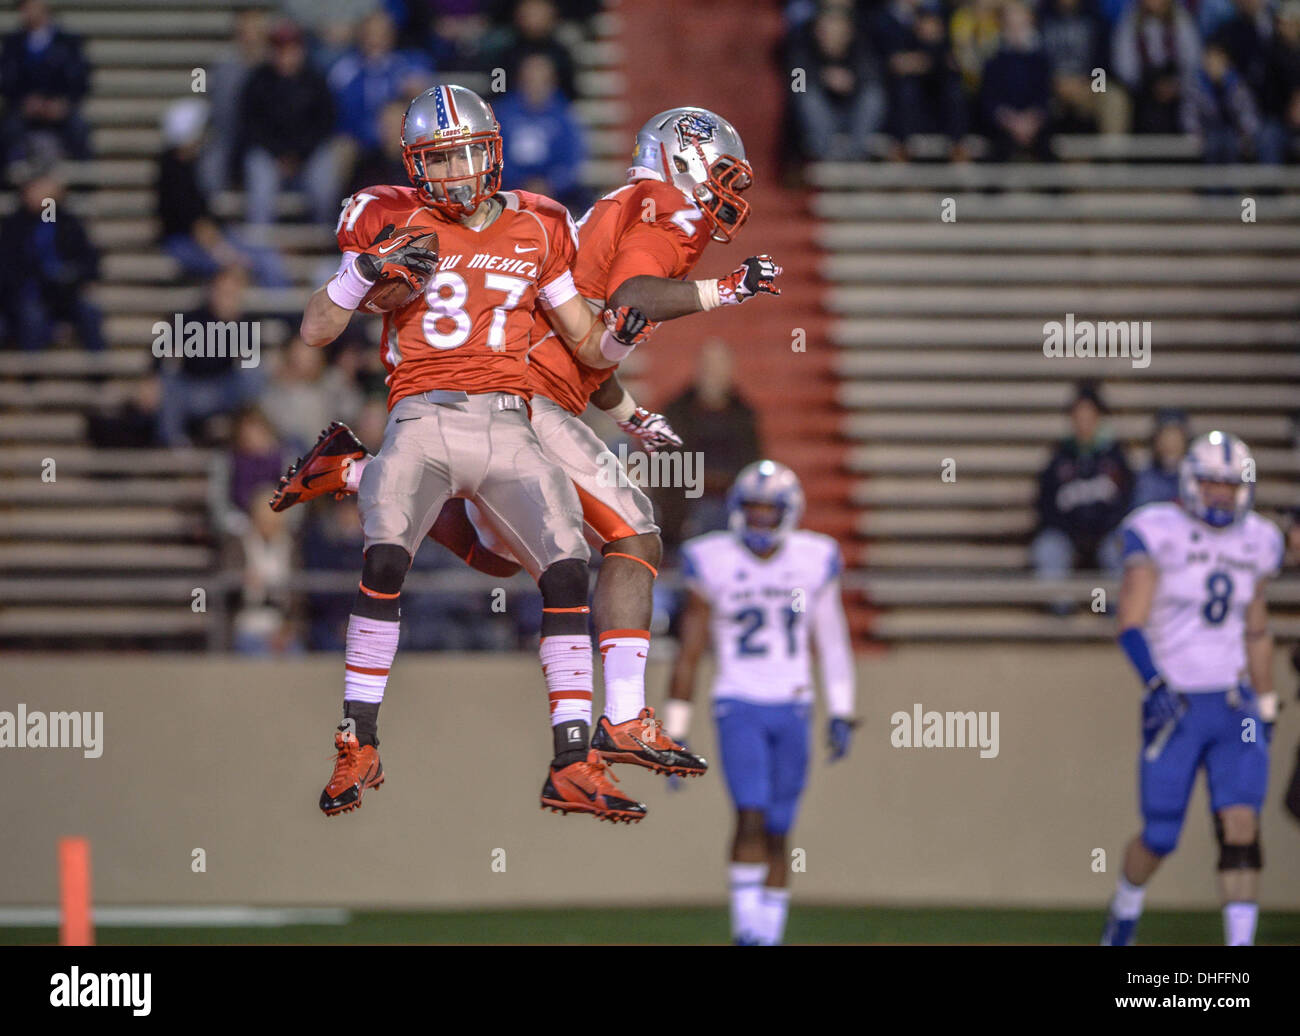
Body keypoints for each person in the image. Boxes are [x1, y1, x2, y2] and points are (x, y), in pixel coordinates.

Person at [273, 105, 784, 788]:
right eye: (720, 173)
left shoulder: (616, 209)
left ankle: (353, 469)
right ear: (681, 161)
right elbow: (630, 298)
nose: (726, 193)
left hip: (536, 389)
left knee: (495, 555)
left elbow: (594, 337)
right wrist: (728, 290)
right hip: (524, 399)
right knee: (634, 534)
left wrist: (628, 410)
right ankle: (623, 717)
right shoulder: (667, 206)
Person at [293, 84, 659, 823]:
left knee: (562, 566)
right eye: (441, 158)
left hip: (510, 422)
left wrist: (622, 332)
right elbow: (316, 331)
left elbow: (585, 341)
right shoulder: (388, 216)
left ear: (492, 152)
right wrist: (362, 272)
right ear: (415, 166)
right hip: (422, 415)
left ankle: (571, 761)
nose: (458, 172)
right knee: (386, 553)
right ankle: (357, 737)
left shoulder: (541, 223)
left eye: (468, 154)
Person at [1102, 432, 1283, 946]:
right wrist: (1154, 682)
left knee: (1242, 822)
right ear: (1190, 482)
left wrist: (1265, 705)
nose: (1221, 494)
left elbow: (1256, 628)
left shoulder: (1259, 540)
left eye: (1230, 483)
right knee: (1160, 836)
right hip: (1177, 703)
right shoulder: (1158, 530)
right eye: (1210, 482)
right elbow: (1131, 623)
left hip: (1235, 704)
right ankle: (1125, 909)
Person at [666, 461, 857, 946]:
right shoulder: (714, 560)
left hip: (793, 703)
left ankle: (766, 936)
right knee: (749, 814)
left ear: (789, 513)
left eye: (769, 512)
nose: (759, 521)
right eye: (752, 510)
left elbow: (831, 640)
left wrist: (841, 708)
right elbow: (689, 650)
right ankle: (745, 932)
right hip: (739, 701)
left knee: (777, 828)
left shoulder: (814, 558)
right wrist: (675, 730)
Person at [1031, 381, 1132, 598]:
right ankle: (1061, 612)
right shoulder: (1058, 457)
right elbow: (1045, 505)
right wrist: (1073, 532)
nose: (1084, 422)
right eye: (1079, 415)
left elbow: (1126, 501)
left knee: (1121, 549)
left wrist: (1101, 529)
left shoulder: (1116, 457)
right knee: (1048, 549)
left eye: (1089, 415)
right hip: (1067, 536)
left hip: (1107, 535)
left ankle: (1117, 613)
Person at [658, 340, 763, 547]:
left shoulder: (744, 414)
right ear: (699, 368)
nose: (714, 374)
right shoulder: (676, 412)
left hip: (733, 497)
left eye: (719, 366)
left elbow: (752, 461)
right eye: (709, 366)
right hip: (688, 500)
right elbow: (667, 466)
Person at [239, 21, 342, 226]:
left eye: (291, 49)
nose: (286, 55)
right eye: (280, 49)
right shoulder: (258, 80)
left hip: (309, 154)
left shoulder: (315, 80)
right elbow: (250, 124)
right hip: (270, 155)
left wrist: (299, 155)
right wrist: (279, 155)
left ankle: (325, 241)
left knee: (325, 183)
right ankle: (260, 246)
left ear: (301, 50)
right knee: (260, 181)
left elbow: (325, 123)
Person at [0, 163, 103, 351]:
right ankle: (32, 374)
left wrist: (73, 276)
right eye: (37, 188)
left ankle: (99, 374)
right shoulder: (13, 226)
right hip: (29, 295)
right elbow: (8, 269)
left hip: (66, 293)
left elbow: (89, 261)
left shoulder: (68, 223)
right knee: (31, 315)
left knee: (90, 312)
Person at [0, 0, 90, 167]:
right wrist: (24, 102)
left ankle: (81, 178)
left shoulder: (68, 42)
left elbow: (80, 79)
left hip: (60, 106)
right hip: (24, 107)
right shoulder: (13, 43)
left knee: (79, 128)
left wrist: (62, 103)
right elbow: (7, 80)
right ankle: (12, 171)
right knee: (9, 128)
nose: (27, 12)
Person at [1131, 408, 1189, 510]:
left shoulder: (1195, 478)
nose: (1170, 444)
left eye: (1175, 437)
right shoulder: (1144, 479)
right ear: (1155, 440)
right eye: (1165, 436)